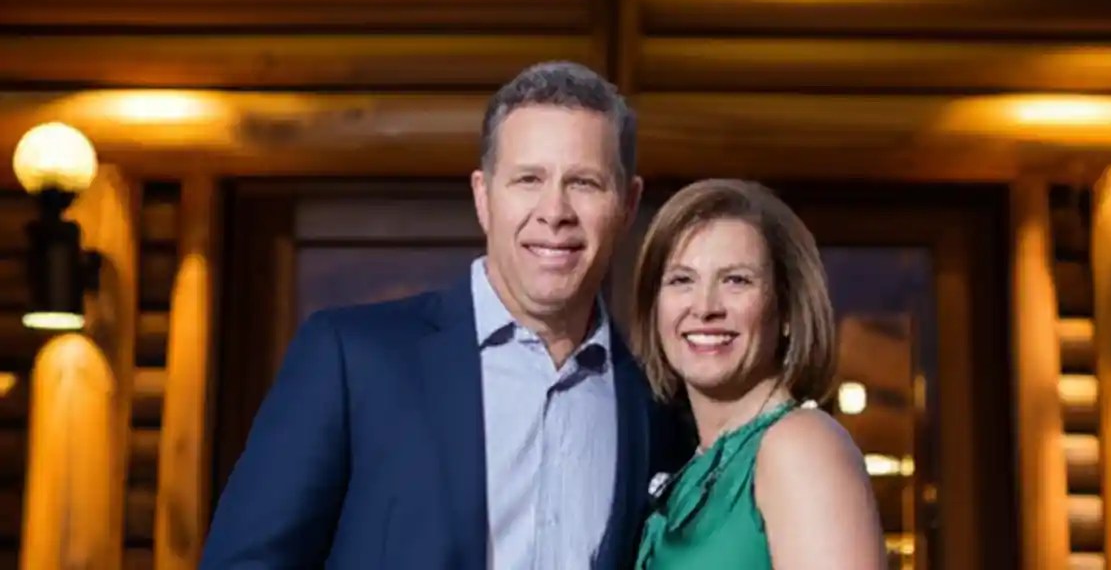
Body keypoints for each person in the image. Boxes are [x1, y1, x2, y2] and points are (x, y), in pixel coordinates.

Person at [201, 61, 690, 569]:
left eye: (584, 183)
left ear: (628, 203)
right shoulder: (351, 360)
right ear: (483, 196)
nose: (554, 211)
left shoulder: (654, 408)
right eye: (528, 179)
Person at [630, 179, 886, 570]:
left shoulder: (801, 446)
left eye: (736, 280)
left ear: (786, 311)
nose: (704, 307)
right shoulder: (697, 465)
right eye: (682, 280)